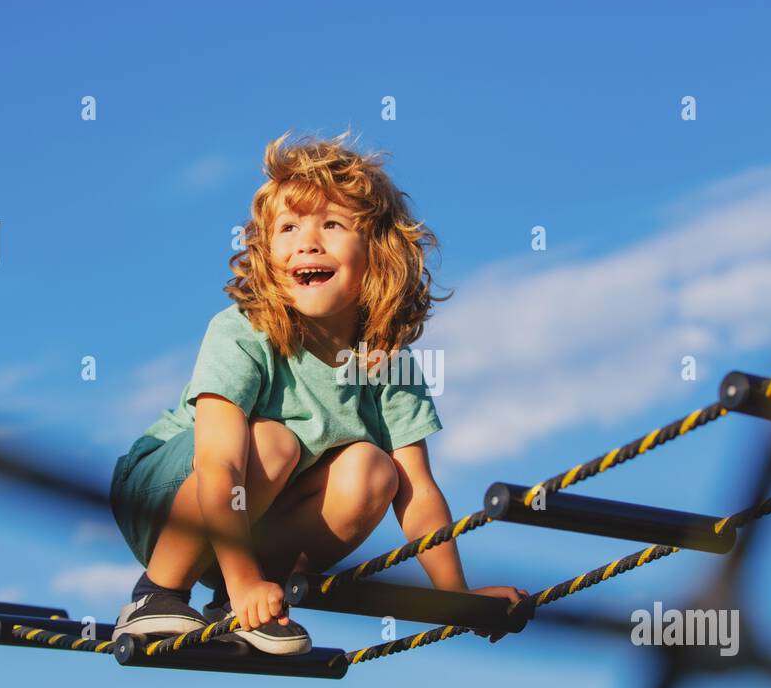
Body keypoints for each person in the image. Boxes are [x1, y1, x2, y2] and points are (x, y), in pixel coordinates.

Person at [109, 129, 527, 655]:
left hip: (252, 522)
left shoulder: (386, 360)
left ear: (377, 252)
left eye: (331, 224)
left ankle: (243, 599)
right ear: (265, 254)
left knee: (375, 469)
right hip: (168, 498)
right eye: (287, 227)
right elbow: (218, 467)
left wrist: (457, 597)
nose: (307, 241)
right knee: (274, 441)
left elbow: (418, 492)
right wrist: (242, 585)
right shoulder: (243, 331)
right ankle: (158, 593)